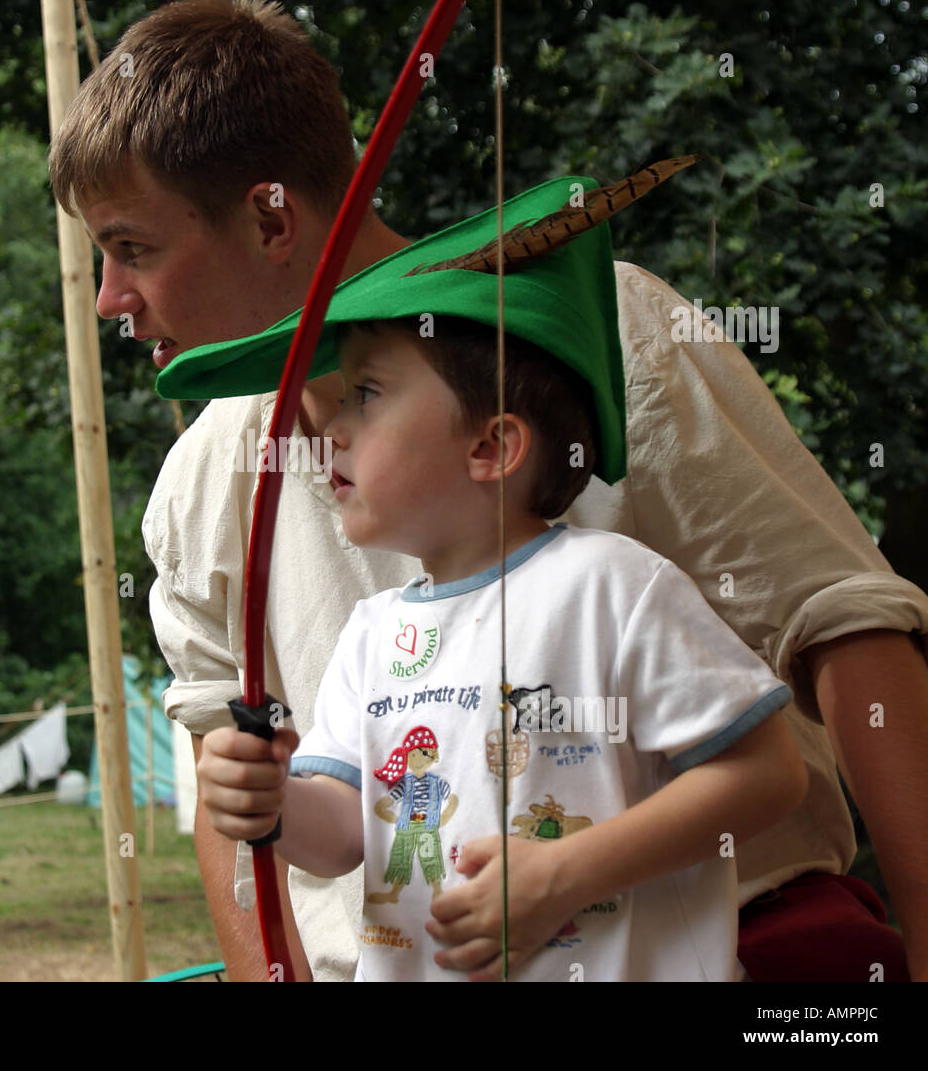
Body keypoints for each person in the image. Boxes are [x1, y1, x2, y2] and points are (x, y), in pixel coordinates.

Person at [47, 0, 927, 982]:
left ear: (270, 215)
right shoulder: (204, 477)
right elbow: (241, 797)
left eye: (132, 249)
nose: (110, 302)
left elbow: (845, 628)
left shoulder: (605, 336)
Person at [175, 176, 810, 980]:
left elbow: (767, 774)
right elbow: (340, 832)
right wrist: (270, 804)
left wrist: (563, 872)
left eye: (367, 394)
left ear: (491, 446)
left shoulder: (615, 588)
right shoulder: (371, 636)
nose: (329, 424)